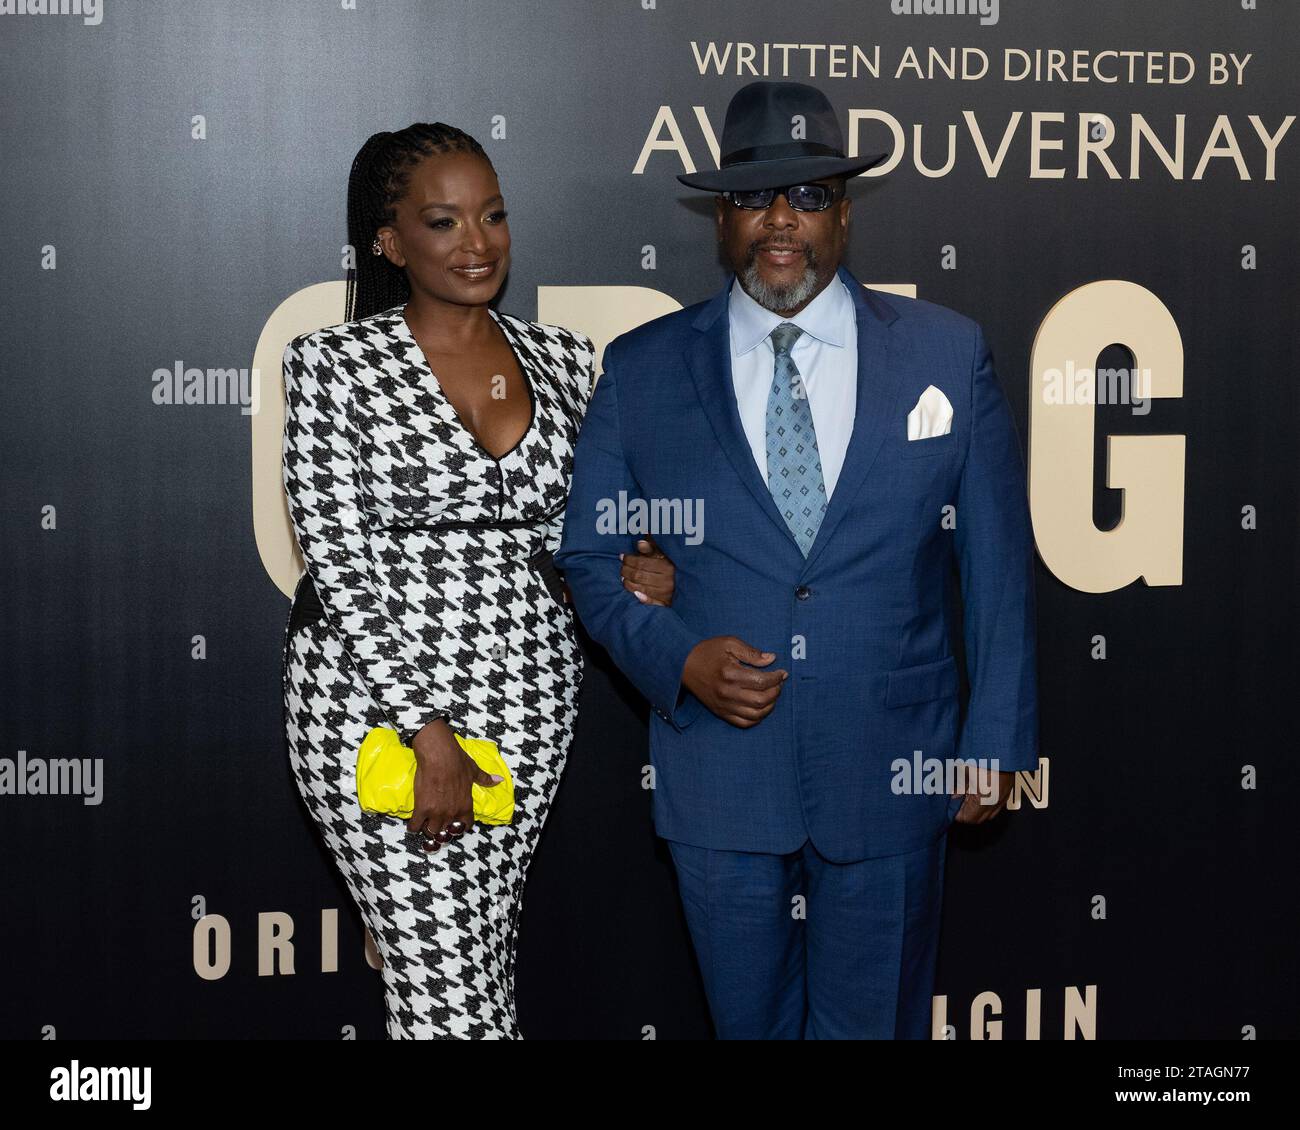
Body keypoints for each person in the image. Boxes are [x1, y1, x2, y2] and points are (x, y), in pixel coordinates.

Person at [555, 81, 1039, 1039]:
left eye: (810, 194)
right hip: (721, 777)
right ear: (721, 216)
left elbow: (996, 568)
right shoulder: (643, 368)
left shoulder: (947, 354)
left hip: (895, 764)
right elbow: (591, 554)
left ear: (846, 212)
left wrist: (995, 741)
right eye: (755, 197)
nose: (782, 221)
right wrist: (680, 658)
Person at [280, 123, 675, 1039]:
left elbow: (587, 529)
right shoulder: (335, 366)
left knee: (471, 968)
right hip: (378, 704)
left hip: (531, 699)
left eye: (492, 216)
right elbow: (335, 556)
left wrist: (636, 566)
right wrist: (428, 731)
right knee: (450, 1001)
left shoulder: (566, 361)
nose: (478, 243)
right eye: (444, 222)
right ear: (391, 241)